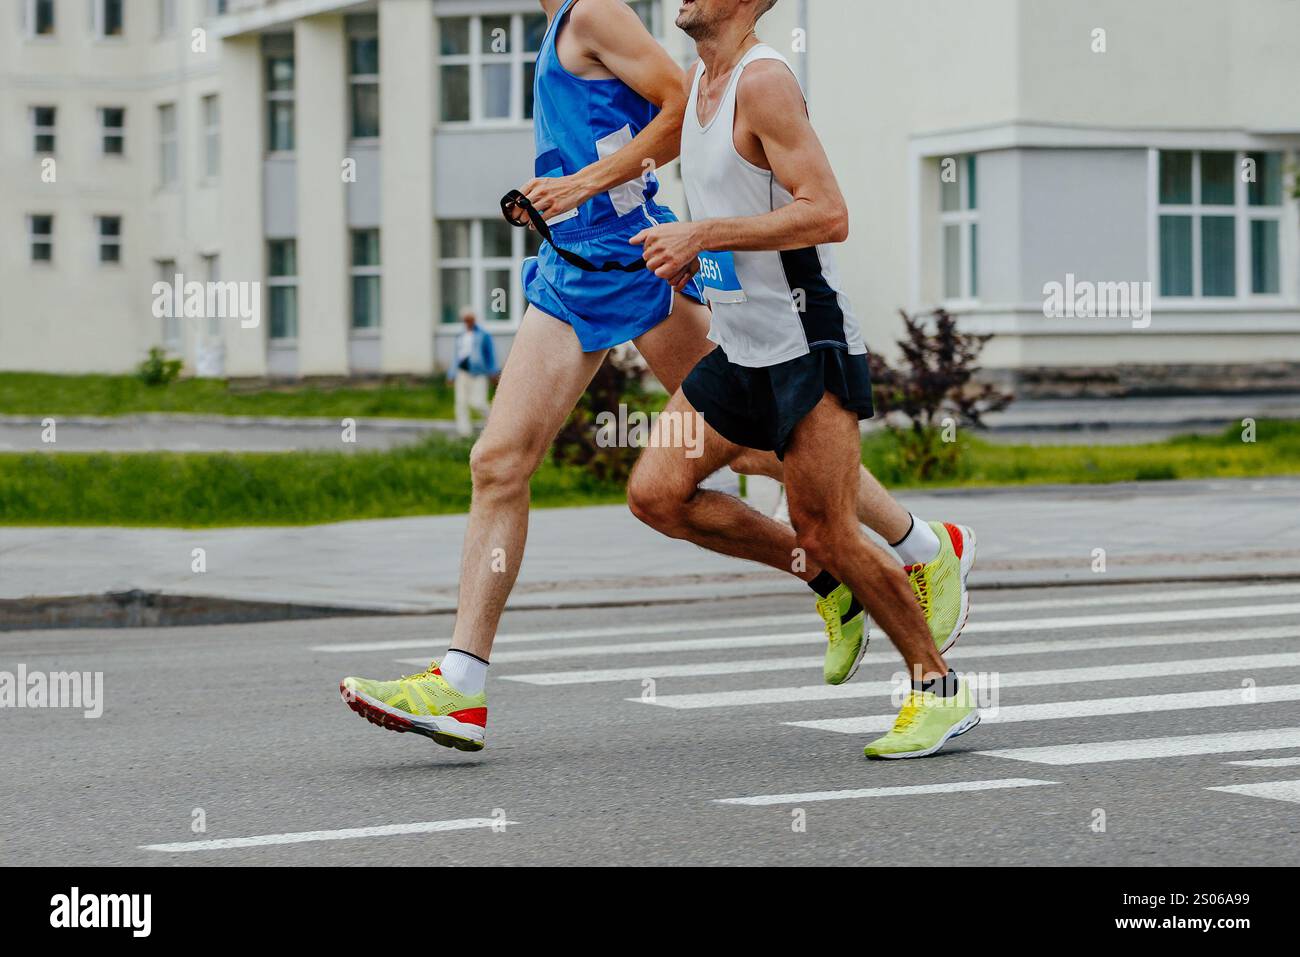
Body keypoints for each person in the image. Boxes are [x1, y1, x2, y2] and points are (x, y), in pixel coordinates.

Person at [339, 0, 974, 756]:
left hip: (688, 291)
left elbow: (777, 183)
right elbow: (684, 136)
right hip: (642, 291)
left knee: (809, 504)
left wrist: (597, 193)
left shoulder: (643, 32)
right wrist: (664, 235)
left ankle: (924, 615)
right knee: (664, 476)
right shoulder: (677, 67)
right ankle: (886, 557)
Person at [624, 0, 979, 758]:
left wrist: (702, 232)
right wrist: (697, 256)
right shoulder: (700, 84)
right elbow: (738, 218)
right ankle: (825, 576)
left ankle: (939, 688)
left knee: (829, 525)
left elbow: (829, 212)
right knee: (656, 494)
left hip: (804, 347)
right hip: (739, 351)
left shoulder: (766, 82)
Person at [450, 309, 498, 437]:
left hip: (478, 372)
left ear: (474, 319)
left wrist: (493, 371)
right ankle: (464, 432)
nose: (467, 322)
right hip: (462, 372)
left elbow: (490, 355)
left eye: (469, 319)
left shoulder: (483, 335)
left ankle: (494, 425)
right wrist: (451, 374)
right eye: (465, 319)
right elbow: (457, 356)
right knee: (461, 402)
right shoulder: (460, 335)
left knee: (478, 402)